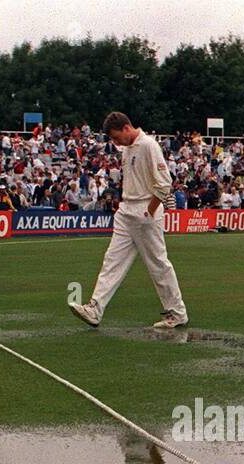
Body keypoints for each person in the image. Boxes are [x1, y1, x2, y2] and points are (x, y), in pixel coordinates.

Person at [68, 111, 187, 329]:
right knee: (112, 260)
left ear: (126, 128)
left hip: (144, 211)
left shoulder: (149, 145)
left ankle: (177, 312)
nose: (115, 142)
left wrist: (149, 211)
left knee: (158, 264)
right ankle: (95, 308)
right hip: (126, 211)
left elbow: (164, 183)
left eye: (116, 137)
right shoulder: (127, 150)